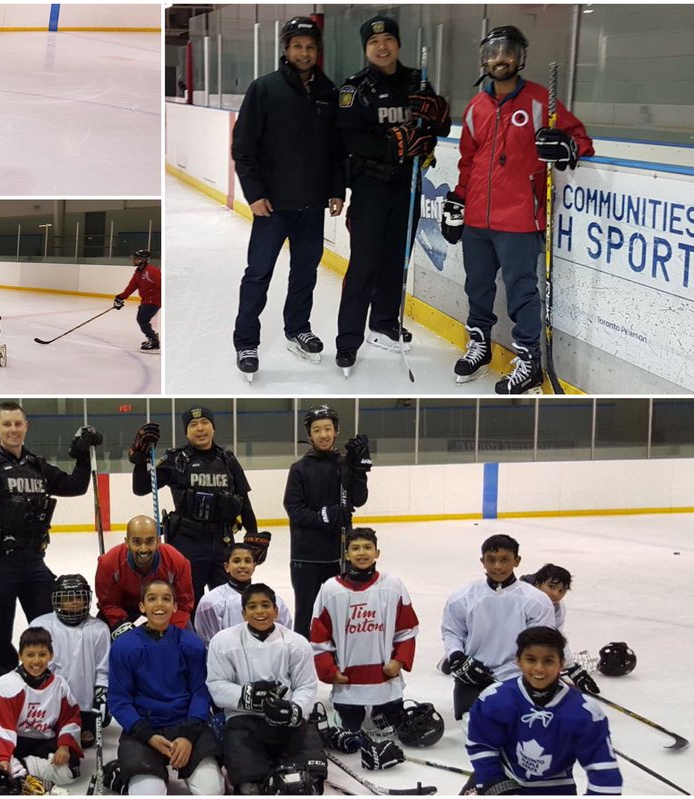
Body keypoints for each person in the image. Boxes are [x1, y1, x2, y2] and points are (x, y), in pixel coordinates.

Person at [442, 25, 594, 393]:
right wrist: (459, 198)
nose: (500, 58)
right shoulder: (477, 107)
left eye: (508, 51)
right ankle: (479, 343)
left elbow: (581, 140)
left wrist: (567, 148)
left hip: (521, 219)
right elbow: (468, 161)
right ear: (484, 59)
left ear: (520, 57)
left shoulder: (543, 102)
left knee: (522, 291)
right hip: (478, 218)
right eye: (493, 51)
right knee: (477, 286)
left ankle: (529, 361)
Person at [334, 16, 452, 373]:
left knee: (394, 259)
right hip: (371, 188)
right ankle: (348, 340)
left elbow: (439, 127)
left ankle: (384, 321)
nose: (382, 47)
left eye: (388, 39)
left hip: (407, 186)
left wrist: (437, 115)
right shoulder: (354, 89)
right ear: (366, 48)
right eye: (374, 42)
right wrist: (392, 145)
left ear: (398, 44)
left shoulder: (418, 82)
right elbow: (348, 138)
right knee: (364, 263)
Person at [230, 16, 344, 379]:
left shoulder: (329, 93)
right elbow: (243, 148)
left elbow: (336, 150)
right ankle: (246, 340)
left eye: (310, 47)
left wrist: (336, 190)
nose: (304, 52)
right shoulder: (265, 89)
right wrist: (255, 194)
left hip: (312, 205)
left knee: (305, 272)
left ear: (318, 51)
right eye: (298, 46)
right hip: (272, 206)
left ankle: (297, 328)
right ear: (286, 49)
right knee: (258, 273)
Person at [0, 402, 100, 681]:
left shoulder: (36, 466)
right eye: (7, 424)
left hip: (34, 563)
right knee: (0, 634)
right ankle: (3, 687)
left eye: (18, 424)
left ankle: (47, 683)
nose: (13, 430)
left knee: (47, 627)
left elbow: (75, 486)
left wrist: (81, 455)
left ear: (26, 426)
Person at [128, 406, 267, 604]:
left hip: (223, 542)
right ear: (186, 432)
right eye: (193, 425)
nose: (200, 428)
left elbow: (244, 501)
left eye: (205, 423)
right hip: (187, 544)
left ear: (213, 428)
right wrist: (140, 458)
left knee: (230, 601)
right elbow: (140, 487)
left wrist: (252, 537)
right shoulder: (175, 460)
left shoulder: (228, 461)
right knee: (189, 602)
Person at [466, 626, 623, 795]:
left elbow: (605, 774)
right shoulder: (495, 699)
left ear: (561, 663)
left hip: (555, 789)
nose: (539, 669)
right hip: (503, 778)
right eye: (531, 659)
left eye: (548, 661)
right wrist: (494, 781)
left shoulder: (584, 713)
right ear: (518, 661)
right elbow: (481, 744)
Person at [310, 527, 417, 769]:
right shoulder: (331, 589)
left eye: (367, 547)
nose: (362, 553)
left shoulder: (393, 585)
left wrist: (398, 661)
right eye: (355, 548)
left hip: (385, 678)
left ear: (377, 552)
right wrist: (329, 671)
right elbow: (319, 637)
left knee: (392, 726)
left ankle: (383, 708)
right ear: (346, 554)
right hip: (349, 682)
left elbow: (407, 630)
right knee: (349, 733)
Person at [206, 583, 326, 794]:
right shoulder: (223, 642)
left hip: (289, 723)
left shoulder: (297, 643)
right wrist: (246, 696)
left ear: (276, 610)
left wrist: (294, 709)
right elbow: (216, 685)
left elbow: (306, 685)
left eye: (265, 605)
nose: (259, 611)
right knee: (249, 786)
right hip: (243, 722)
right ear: (243, 613)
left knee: (307, 783)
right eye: (252, 607)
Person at [107, 579, 222, 795]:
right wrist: (147, 735)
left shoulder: (191, 643)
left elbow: (200, 692)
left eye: (166, 599)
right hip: (144, 730)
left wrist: (188, 737)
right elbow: (119, 700)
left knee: (212, 790)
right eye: (152, 599)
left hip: (186, 725)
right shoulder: (124, 646)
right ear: (142, 607)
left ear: (175, 607)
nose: (159, 604)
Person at [441, 533, 556, 720]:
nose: (497, 566)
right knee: (471, 724)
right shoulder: (462, 597)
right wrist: (457, 656)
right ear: (482, 561)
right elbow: (452, 631)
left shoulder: (536, 601)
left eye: (504, 560)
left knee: (519, 726)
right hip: (472, 677)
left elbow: (543, 644)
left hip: (520, 678)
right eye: (491, 560)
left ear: (516, 561)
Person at [283, 405, 371, 638]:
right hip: (306, 558)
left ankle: (336, 661)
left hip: (339, 554)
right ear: (309, 435)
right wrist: (326, 515)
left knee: (339, 613)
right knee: (307, 614)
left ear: (336, 431)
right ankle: (301, 661)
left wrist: (360, 469)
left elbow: (358, 499)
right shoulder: (299, 469)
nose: (323, 435)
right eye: (317, 430)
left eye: (328, 429)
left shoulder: (344, 464)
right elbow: (294, 509)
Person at [0, 627, 84, 792]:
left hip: (42, 743)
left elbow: (70, 719)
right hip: (14, 742)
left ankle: (21, 771)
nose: (36, 661)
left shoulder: (59, 685)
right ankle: (17, 770)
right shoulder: (7, 685)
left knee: (70, 771)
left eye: (42, 654)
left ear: (51, 655)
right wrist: (0, 757)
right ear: (20, 656)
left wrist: (64, 746)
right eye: (30, 655)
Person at [29, 575, 111, 749]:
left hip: (85, 704)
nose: (74, 602)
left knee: (85, 742)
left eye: (79, 597)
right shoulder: (40, 625)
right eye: (68, 598)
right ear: (57, 601)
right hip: (49, 700)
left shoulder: (99, 629)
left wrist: (102, 695)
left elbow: (103, 669)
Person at [95, 514, 196, 635]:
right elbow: (109, 603)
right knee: (103, 637)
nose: (143, 549)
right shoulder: (109, 563)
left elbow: (183, 605)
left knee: (189, 643)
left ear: (158, 541)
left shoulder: (177, 562)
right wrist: (123, 624)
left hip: (162, 609)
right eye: (137, 542)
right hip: (125, 610)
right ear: (127, 542)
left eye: (149, 541)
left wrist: (167, 630)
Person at [522, 563, 600, 694]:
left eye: (561, 591)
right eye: (551, 587)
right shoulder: (519, 599)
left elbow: (554, 638)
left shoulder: (558, 608)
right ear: (537, 583)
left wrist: (572, 669)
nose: (555, 594)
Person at [193, 543, 291, 644]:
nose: (243, 566)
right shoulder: (212, 602)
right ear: (227, 567)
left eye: (248, 561)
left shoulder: (272, 600)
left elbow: (284, 634)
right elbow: (209, 641)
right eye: (236, 561)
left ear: (254, 566)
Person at [113, 249, 161, 351]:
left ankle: (154, 340)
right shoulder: (138, 272)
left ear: (143, 259)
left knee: (142, 319)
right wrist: (120, 297)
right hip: (146, 300)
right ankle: (153, 337)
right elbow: (132, 286)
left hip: (153, 301)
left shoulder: (151, 271)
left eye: (136, 259)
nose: (133, 260)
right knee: (142, 319)